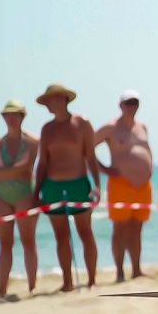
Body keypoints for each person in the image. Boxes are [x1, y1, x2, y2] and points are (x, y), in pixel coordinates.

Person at [34, 84, 101, 290]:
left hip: (78, 184)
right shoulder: (47, 129)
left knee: (85, 232)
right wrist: (36, 192)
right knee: (61, 236)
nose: (48, 105)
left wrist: (97, 186)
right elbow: (43, 163)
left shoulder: (82, 123)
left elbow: (91, 157)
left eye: (50, 100)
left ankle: (92, 280)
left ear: (63, 99)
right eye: (46, 101)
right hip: (52, 186)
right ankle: (67, 282)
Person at [94, 90, 153, 282]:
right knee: (120, 229)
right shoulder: (111, 127)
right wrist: (104, 169)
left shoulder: (142, 127)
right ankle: (119, 272)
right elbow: (87, 148)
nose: (131, 107)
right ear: (120, 105)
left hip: (143, 186)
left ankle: (136, 269)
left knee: (137, 228)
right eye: (128, 103)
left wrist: (149, 167)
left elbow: (146, 150)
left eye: (135, 103)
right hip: (121, 184)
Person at [0, 100, 39, 299]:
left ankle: (32, 287)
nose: (11, 118)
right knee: (5, 244)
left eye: (15, 114)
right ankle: (2, 288)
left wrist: (3, 172)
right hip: (1, 196)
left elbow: (27, 171)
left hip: (24, 194)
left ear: (22, 116)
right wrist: (15, 172)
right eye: (7, 115)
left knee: (28, 241)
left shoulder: (32, 142)